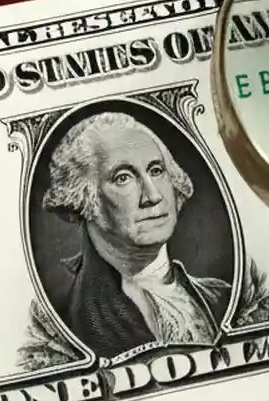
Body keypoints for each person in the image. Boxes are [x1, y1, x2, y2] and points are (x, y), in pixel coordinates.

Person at [42, 111, 230, 359]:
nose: (153, 196)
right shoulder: (64, 329)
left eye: (156, 170)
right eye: (123, 178)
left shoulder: (222, 296)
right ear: (83, 199)